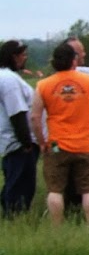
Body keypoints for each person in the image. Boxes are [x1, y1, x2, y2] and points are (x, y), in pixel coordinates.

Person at [30, 42, 89, 226]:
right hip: (85, 143)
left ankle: (56, 228)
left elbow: (35, 117)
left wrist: (42, 142)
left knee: (55, 189)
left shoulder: (43, 85)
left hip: (57, 144)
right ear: (74, 61)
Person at [1, 40, 40, 218]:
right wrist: (26, 142)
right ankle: (14, 217)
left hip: (17, 142)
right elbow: (17, 113)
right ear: (14, 57)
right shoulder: (9, 80)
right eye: (23, 55)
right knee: (20, 184)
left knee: (18, 182)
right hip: (18, 143)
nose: (25, 58)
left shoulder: (9, 77)